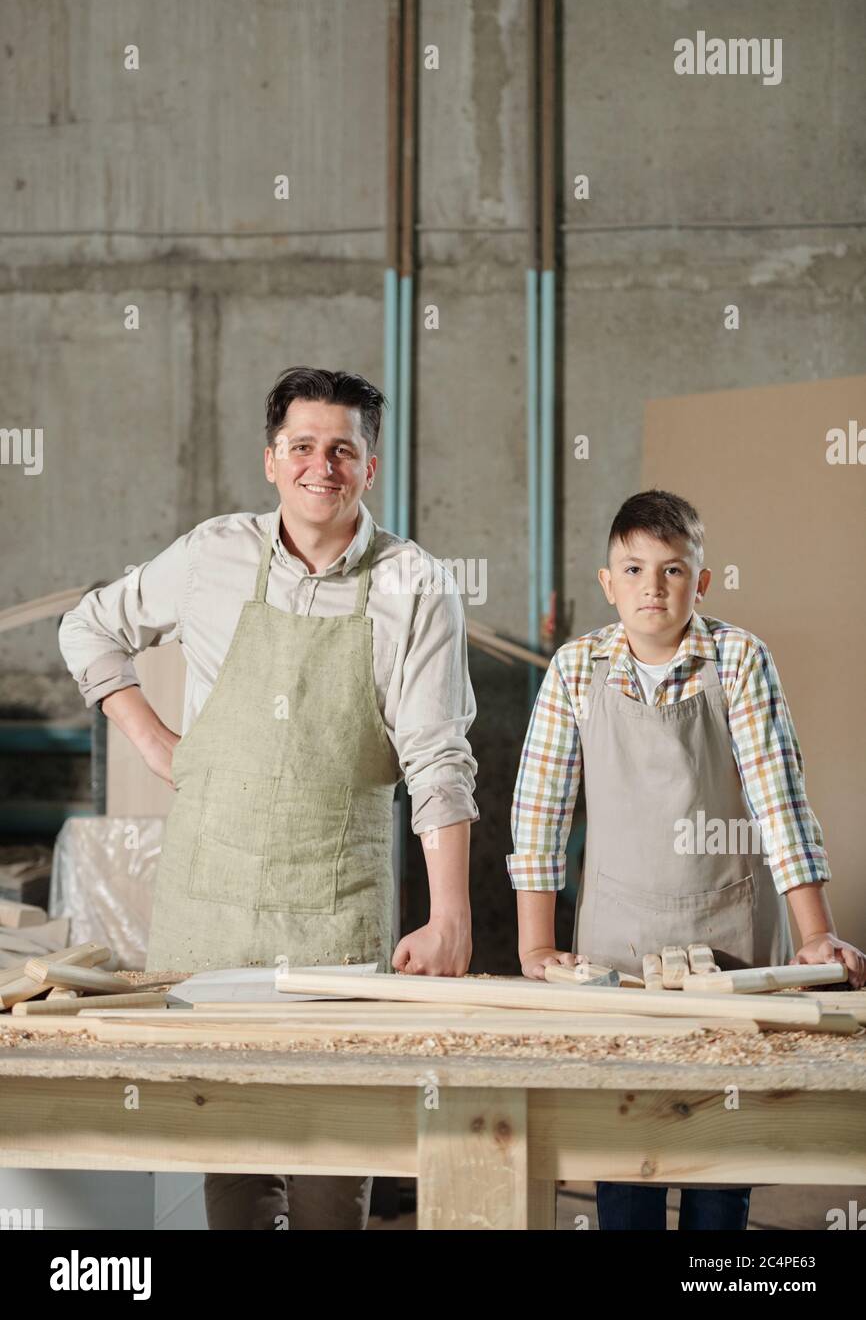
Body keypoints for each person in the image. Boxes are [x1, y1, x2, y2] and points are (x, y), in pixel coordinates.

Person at [59, 365, 477, 1229]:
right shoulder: (214, 555)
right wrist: (157, 741)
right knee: (233, 1165)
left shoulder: (414, 583)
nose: (319, 466)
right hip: (211, 912)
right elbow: (89, 626)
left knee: (335, 1163)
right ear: (270, 459)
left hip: (335, 914)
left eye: (341, 450)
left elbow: (438, 758)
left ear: (370, 467)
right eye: (302, 447)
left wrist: (449, 917)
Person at [508, 488, 865, 1231]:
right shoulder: (576, 669)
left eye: (673, 571)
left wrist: (813, 935)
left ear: (701, 582)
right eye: (633, 569)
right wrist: (535, 942)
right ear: (607, 584)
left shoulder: (738, 658)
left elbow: (780, 800)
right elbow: (540, 811)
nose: (652, 587)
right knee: (627, 1148)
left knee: (720, 1155)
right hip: (616, 945)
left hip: (729, 932)